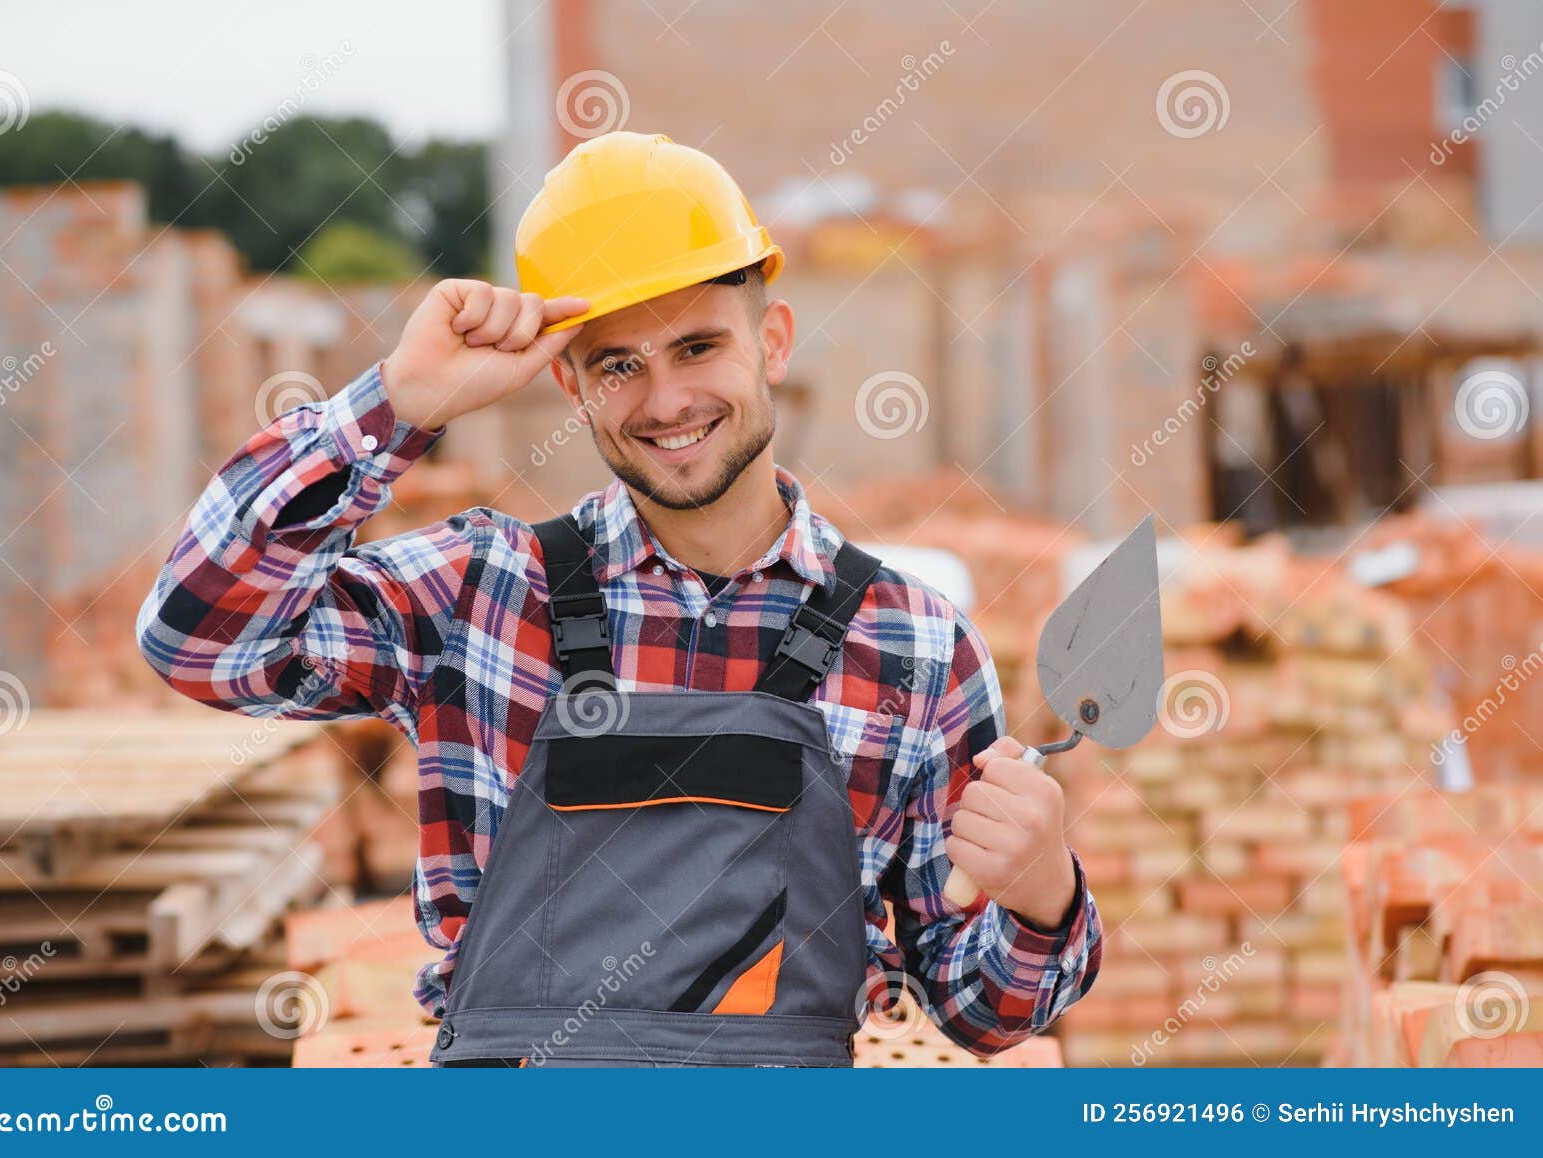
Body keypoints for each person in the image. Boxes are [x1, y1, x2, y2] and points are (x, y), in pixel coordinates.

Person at [137, 131, 1101, 1067]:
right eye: (618, 364)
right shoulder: (481, 596)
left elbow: (980, 1015)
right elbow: (198, 641)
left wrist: (1040, 895)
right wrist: (400, 400)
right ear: (569, 382)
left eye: (696, 347)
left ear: (773, 338)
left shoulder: (914, 647)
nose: (666, 401)